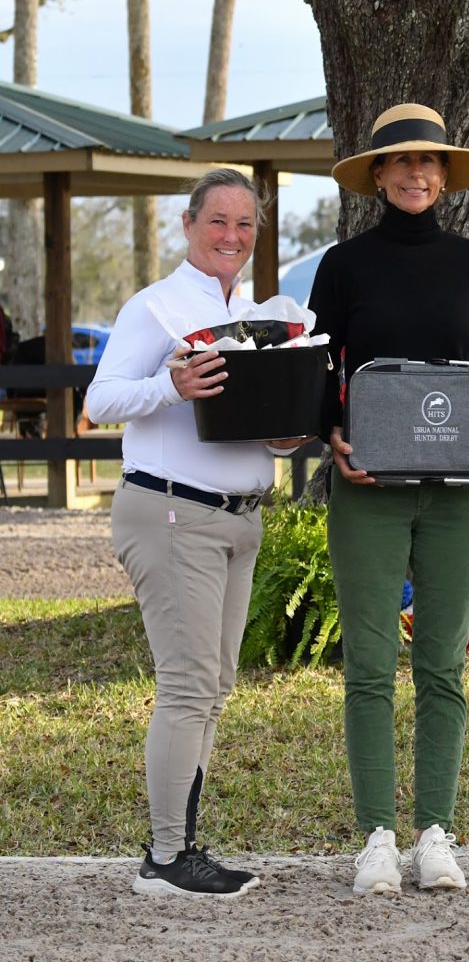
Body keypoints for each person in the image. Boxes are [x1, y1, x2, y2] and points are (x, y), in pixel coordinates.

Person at [89, 168, 306, 896]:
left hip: (239, 518)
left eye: (246, 225)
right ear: (188, 225)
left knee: (213, 689)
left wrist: (282, 437)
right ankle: (166, 857)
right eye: (219, 221)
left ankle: (182, 844)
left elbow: (253, 427)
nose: (233, 237)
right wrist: (168, 387)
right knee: (187, 687)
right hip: (172, 512)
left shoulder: (257, 313)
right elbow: (101, 398)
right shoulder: (154, 309)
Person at [309, 103, 469, 896]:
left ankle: (434, 835)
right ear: (378, 177)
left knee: (444, 666)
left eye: (431, 164)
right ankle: (377, 839)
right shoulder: (344, 264)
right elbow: (314, 373)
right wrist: (334, 435)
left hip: (457, 497)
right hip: (370, 491)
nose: (417, 175)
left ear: (445, 177)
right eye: (402, 163)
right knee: (369, 667)